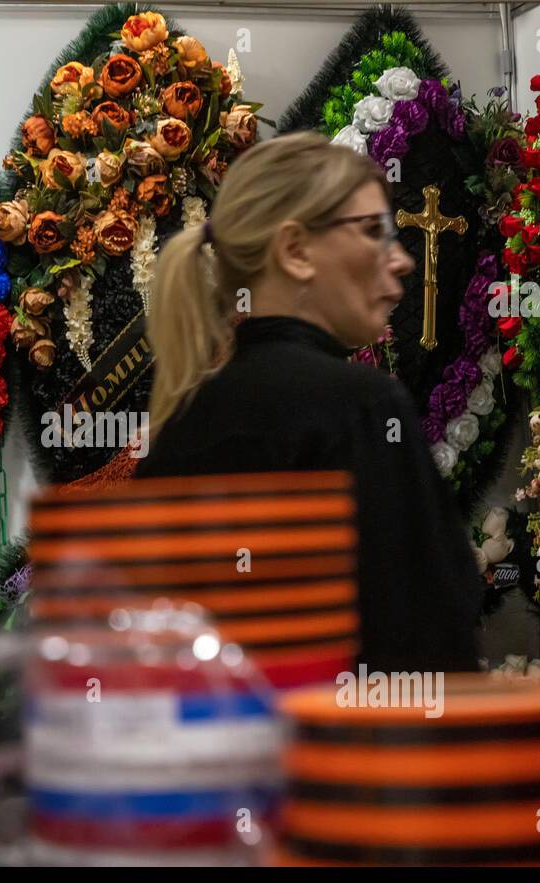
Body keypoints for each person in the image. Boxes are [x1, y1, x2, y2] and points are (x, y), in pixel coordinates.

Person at [136, 132, 481, 673]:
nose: (402, 261)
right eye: (373, 231)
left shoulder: (178, 426)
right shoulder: (362, 408)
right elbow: (425, 648)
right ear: (295, 251)